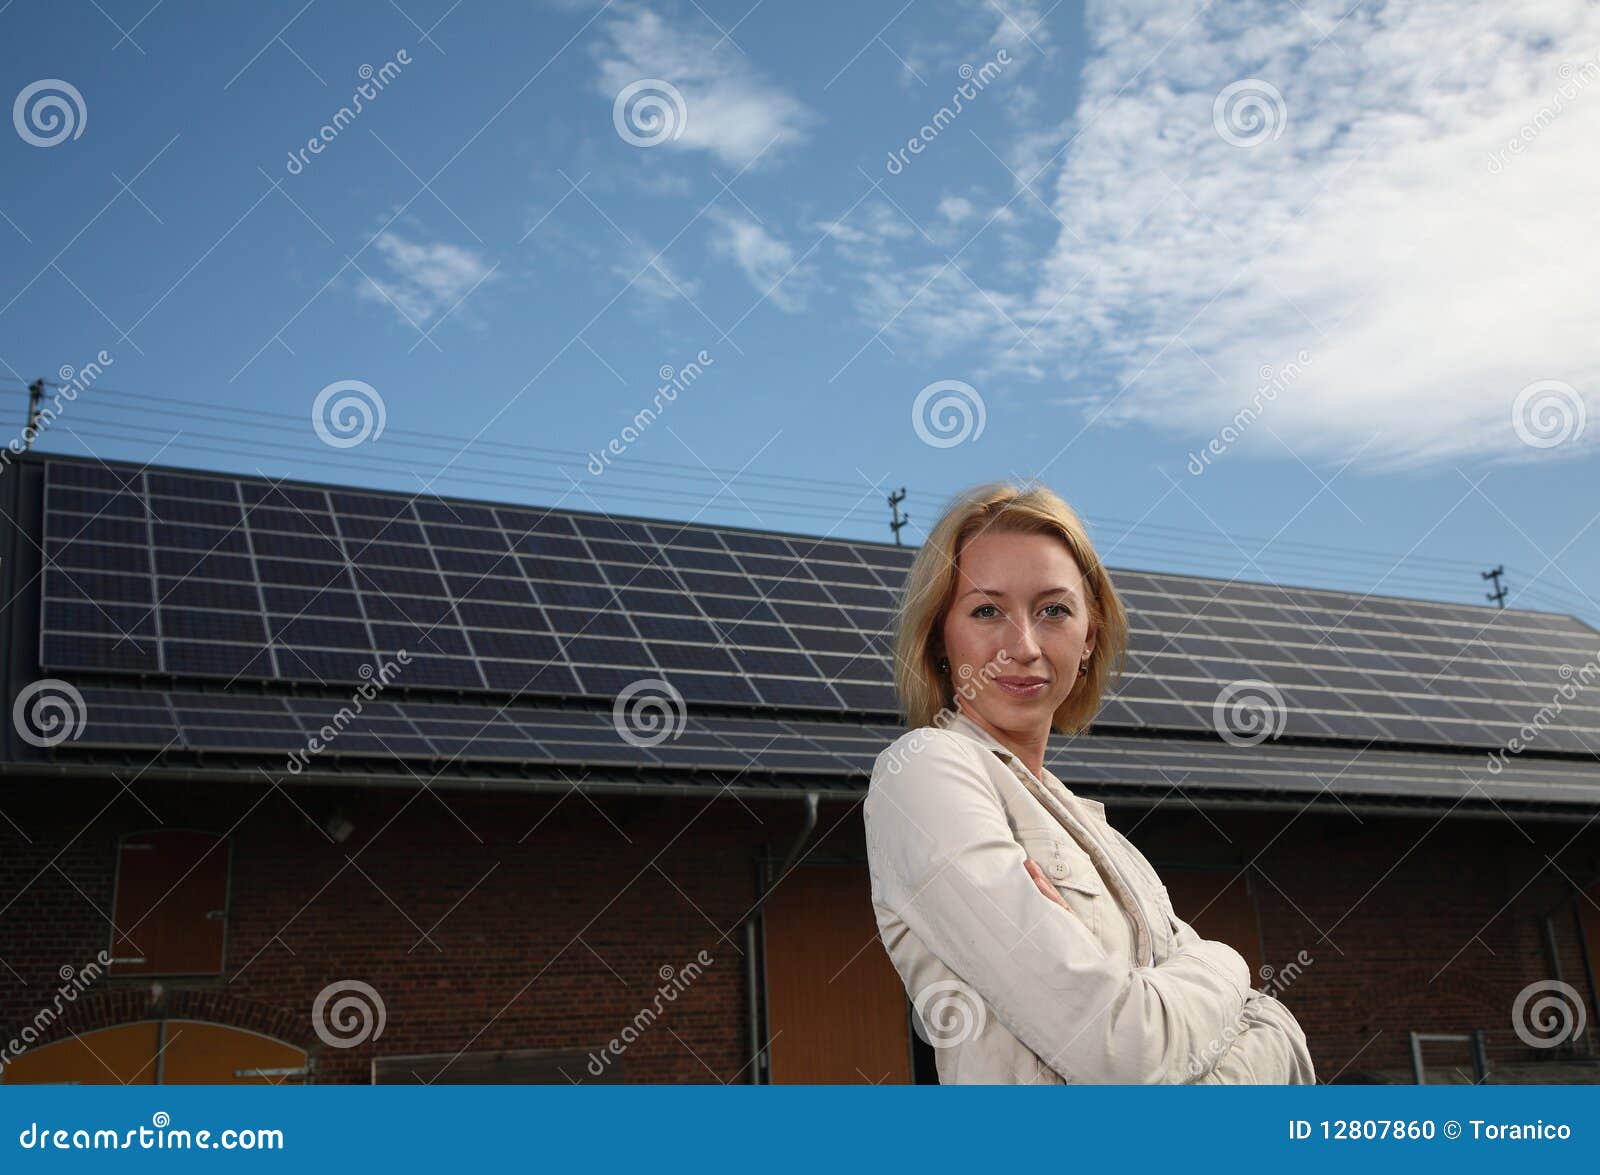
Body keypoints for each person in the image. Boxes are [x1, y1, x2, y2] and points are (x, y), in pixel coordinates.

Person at [863, 480, 1315, 1084]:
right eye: (986, 610)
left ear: (1089, 637)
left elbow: (1284, 1038)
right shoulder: (925, 772)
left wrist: (1211, 1012)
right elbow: (1126, 1054)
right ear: (940, 637)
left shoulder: (1104, 839)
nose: (1022, 647)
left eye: (1053, 610)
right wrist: (1229, 965)